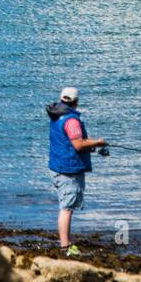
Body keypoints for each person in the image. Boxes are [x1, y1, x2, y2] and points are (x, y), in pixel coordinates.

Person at [46, 87, 106, 256]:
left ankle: (66, 244)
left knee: (66, 206)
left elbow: (71, 141)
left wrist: (92, 144)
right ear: (76, 102)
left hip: (58, 166)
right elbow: (78, 145)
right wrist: (98, 143)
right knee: (67, 208)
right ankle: (65, 247)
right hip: (68, 170)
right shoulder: (72, 120)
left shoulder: (56, 115)